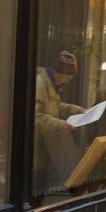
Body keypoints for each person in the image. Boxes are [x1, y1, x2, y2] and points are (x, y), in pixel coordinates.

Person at [34, 50, 85, 194]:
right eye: (68, 77)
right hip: (37, 147)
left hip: (45, 145)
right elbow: (36, 116)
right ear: (60, 73)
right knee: (37, 187)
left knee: (42, 186)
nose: (68, 81)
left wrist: (76, 110)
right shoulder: (40, 84)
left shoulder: (51, 83)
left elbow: (56, 106)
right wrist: (61, 124)